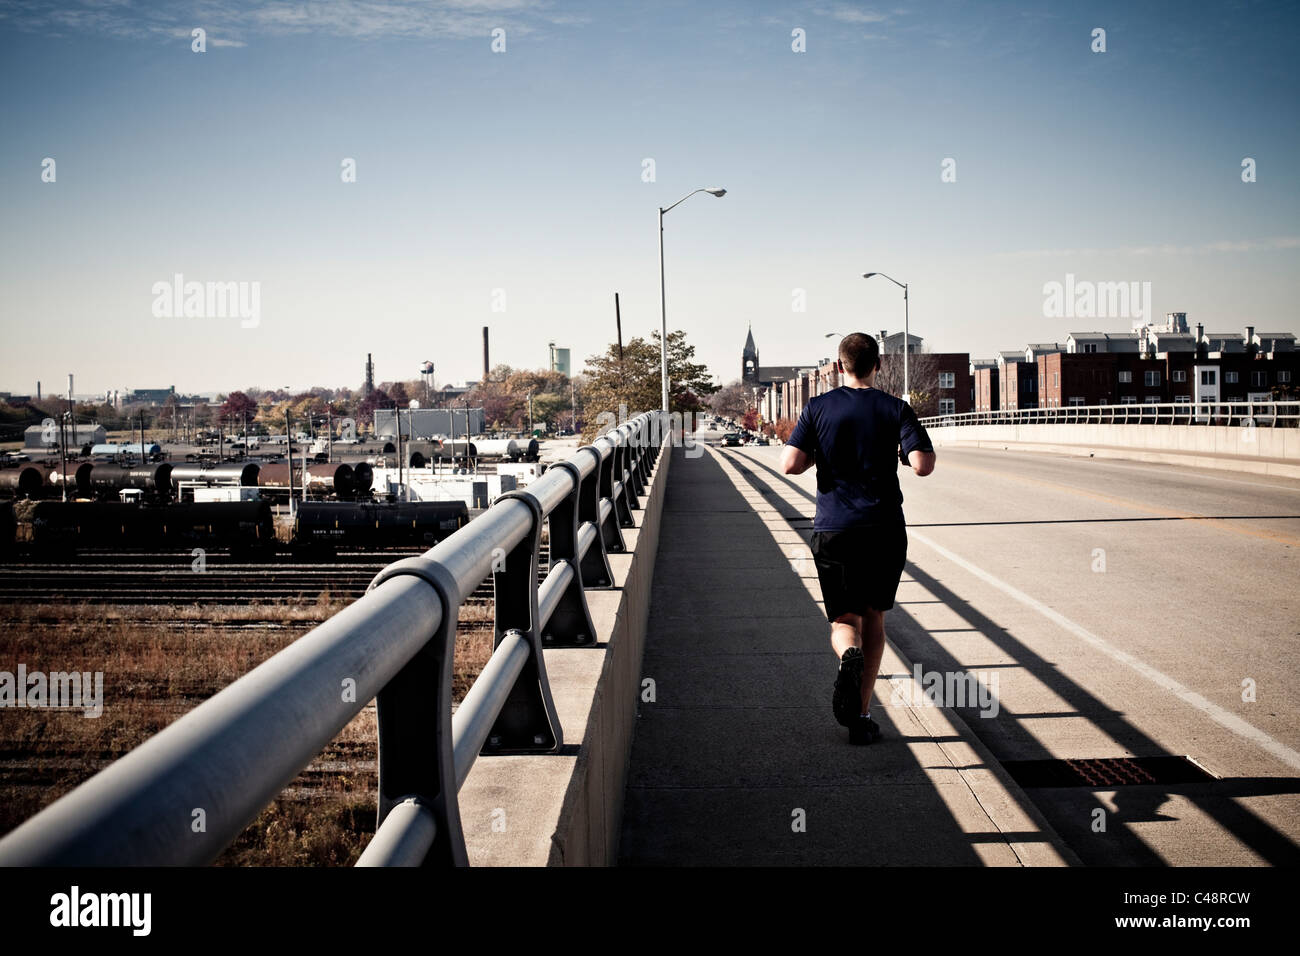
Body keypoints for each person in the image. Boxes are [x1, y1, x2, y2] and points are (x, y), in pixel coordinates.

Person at [779, 332, 936, 744]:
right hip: (883, 529)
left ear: (838, 365)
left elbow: (789, 464)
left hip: (835, 529)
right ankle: (862, 716)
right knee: (874, 617)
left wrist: (818, 455)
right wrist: (903, 452)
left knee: (843, 620)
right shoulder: (896, 408)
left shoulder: (818, 407)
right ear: (878, 365)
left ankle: (846, 652)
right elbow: (922, 465)